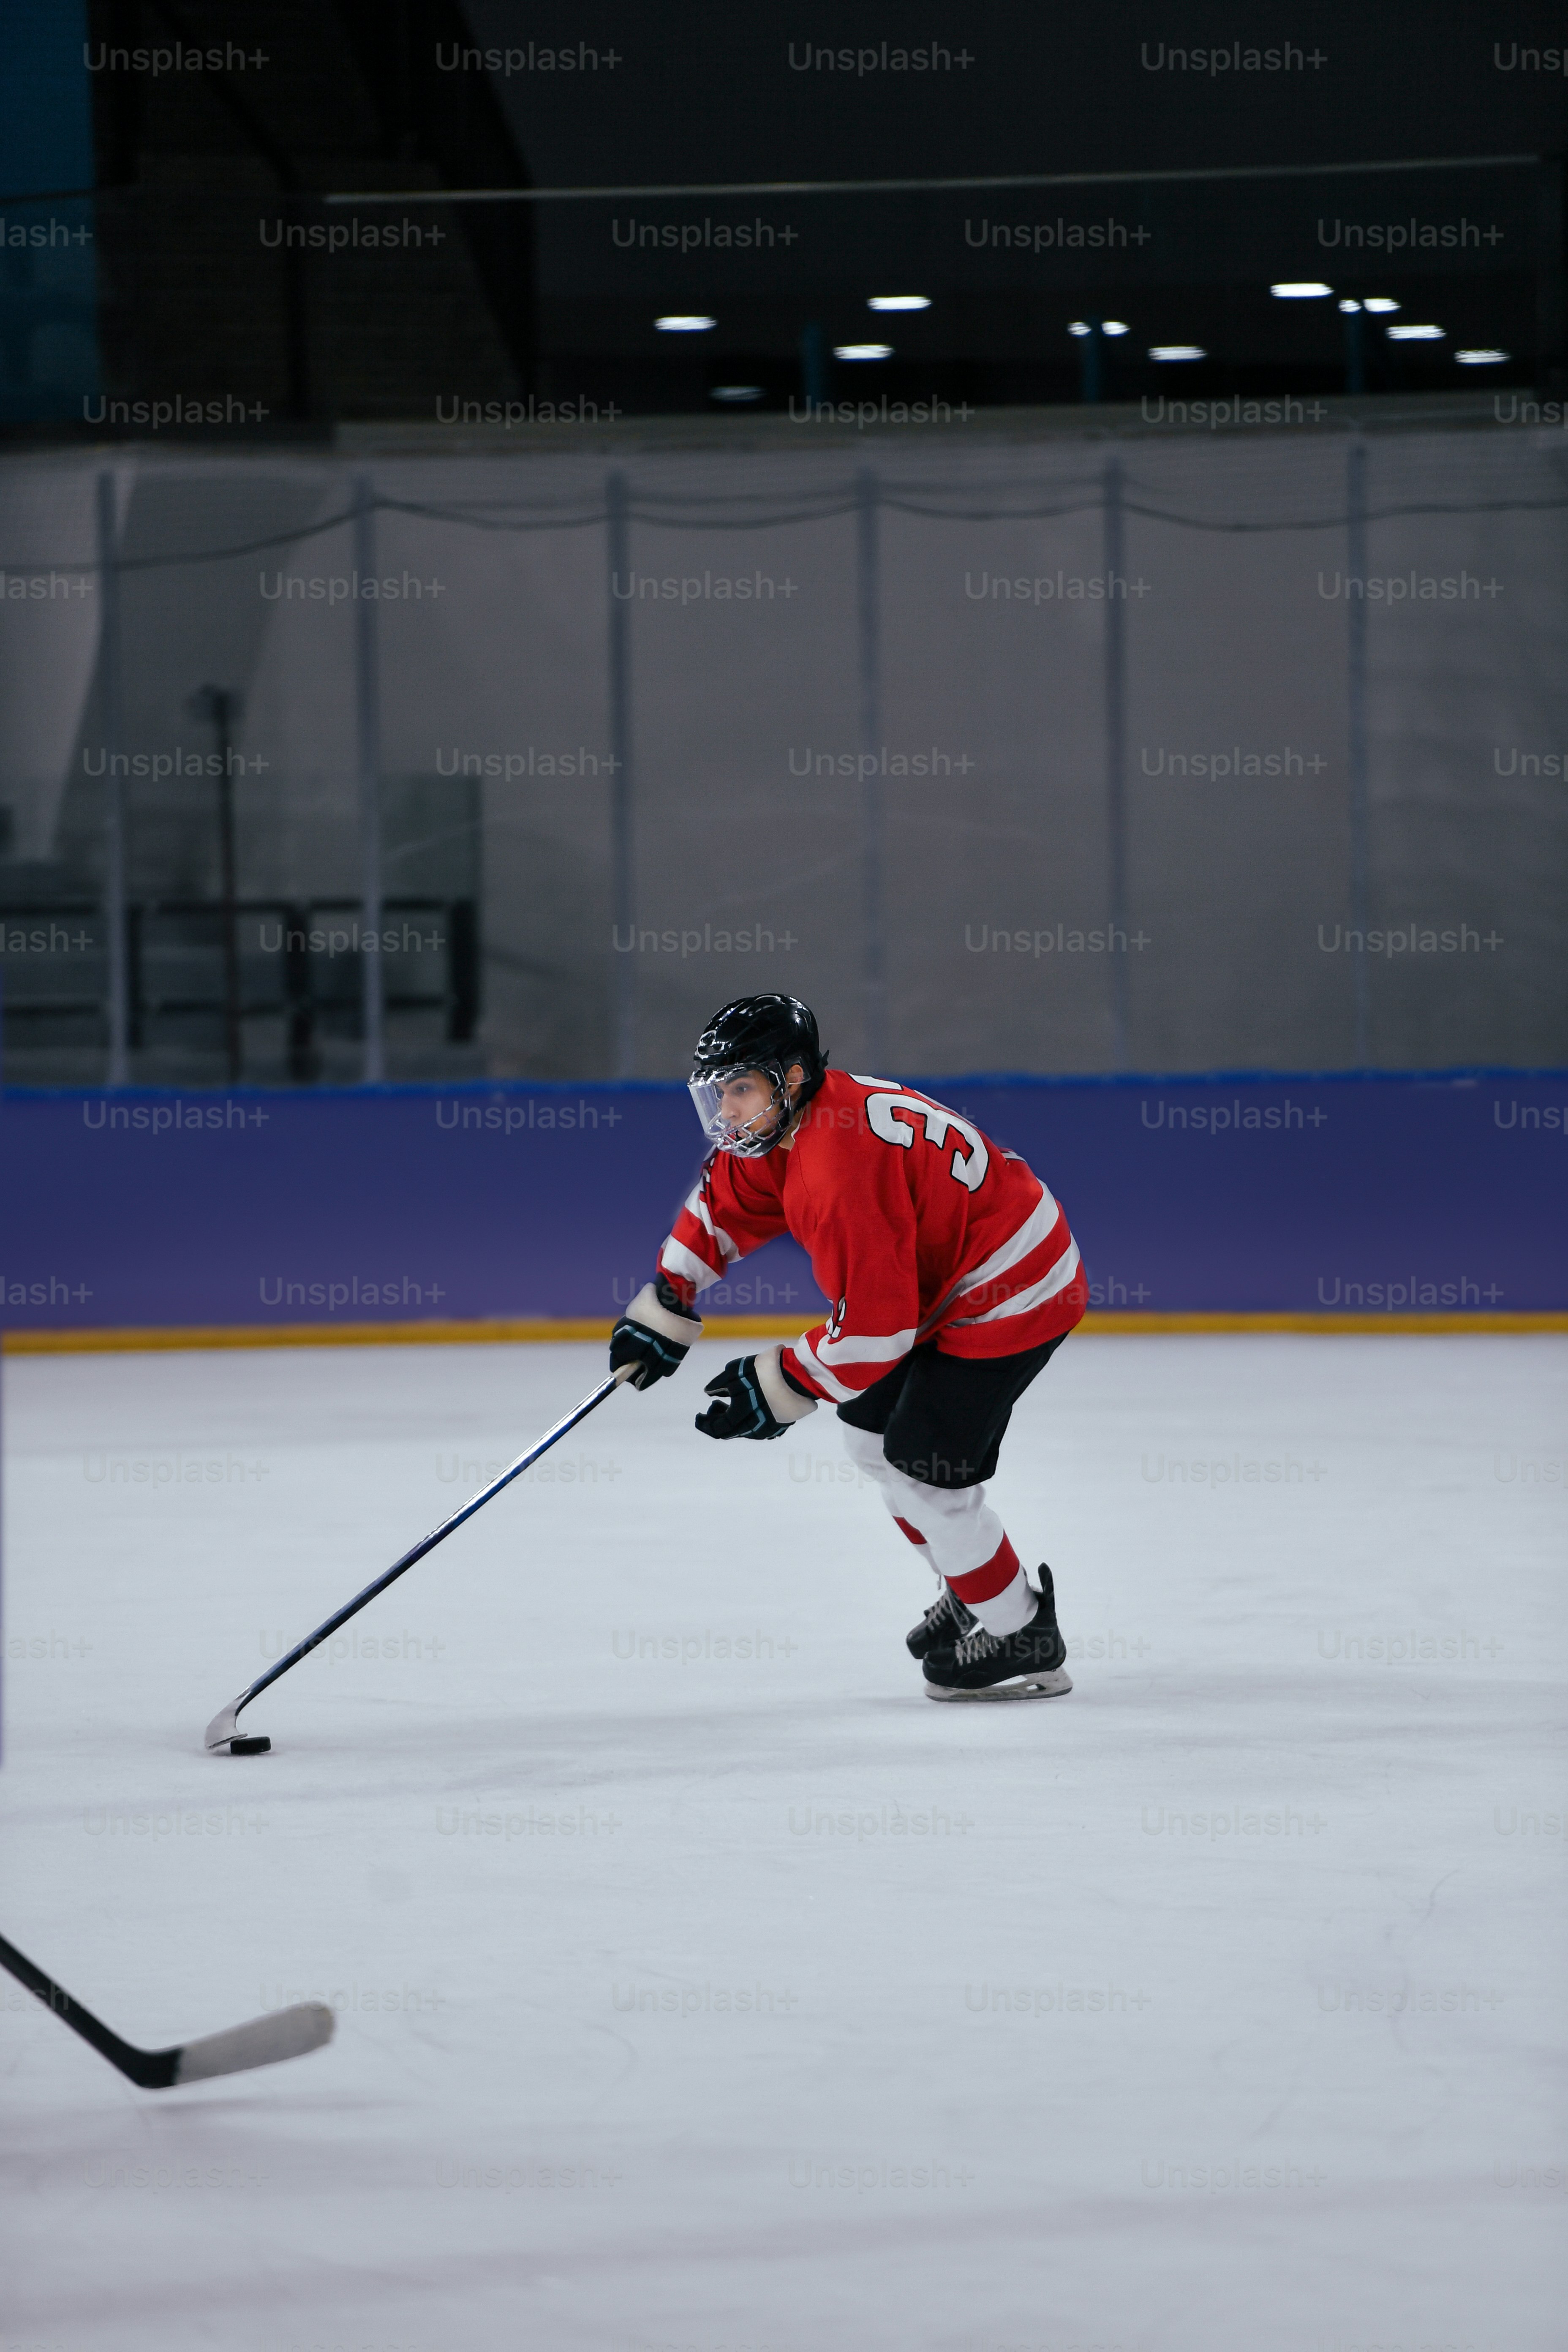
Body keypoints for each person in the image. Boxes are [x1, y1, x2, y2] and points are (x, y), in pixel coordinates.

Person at [609, 994, 1087, 1700]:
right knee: (869, 1441)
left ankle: (1020, 1632)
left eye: (740, 1088)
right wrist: (670, 1297)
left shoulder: (838, 1172)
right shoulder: (794, 1122)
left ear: (791, 1078)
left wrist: (776, 1387)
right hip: (948, 1279)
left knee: (924, 1471)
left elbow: (873, 1331)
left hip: (1012, 1287)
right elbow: (725, 1206)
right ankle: (974, 1585)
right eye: (721, 1091)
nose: (728, 1110)